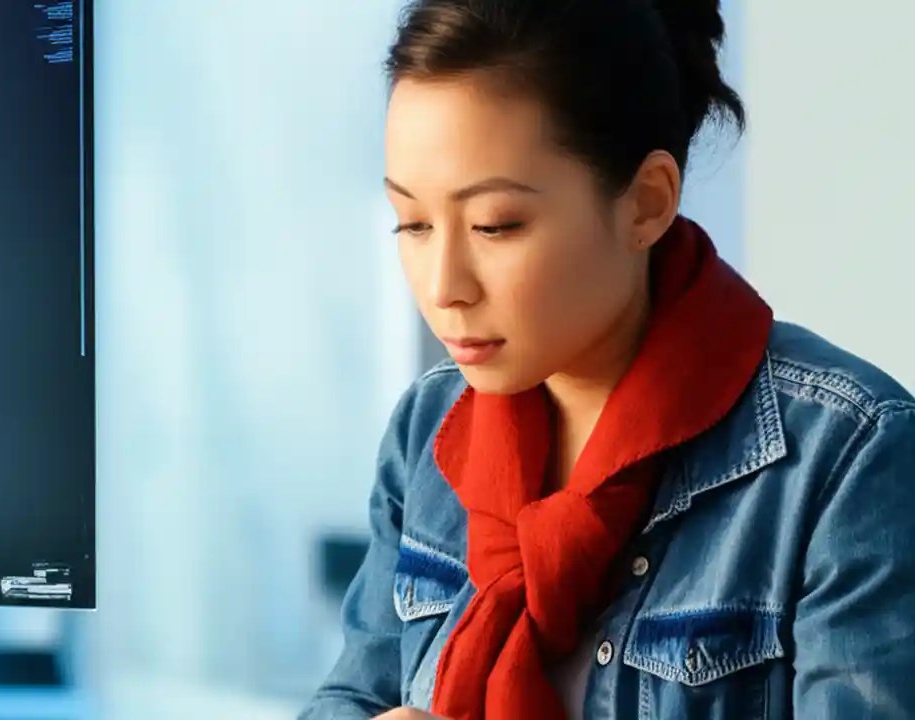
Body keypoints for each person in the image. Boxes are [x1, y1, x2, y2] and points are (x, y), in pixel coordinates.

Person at [299, 0, 915, 718]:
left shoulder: (847, 458)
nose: (442, 288)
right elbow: (353, 692)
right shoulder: (429, 429)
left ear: (647, 202)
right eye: (413, 223)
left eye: (495, 225)